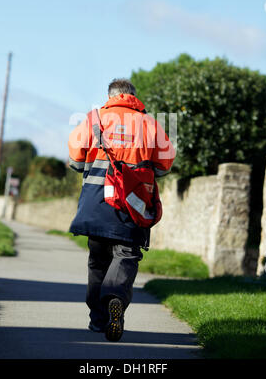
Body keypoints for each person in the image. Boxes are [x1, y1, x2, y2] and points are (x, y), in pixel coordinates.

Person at [68, 78, 175, 342]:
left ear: (110, 96)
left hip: (96, 202)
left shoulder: (94, 119)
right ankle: (115, 297)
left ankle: (98, 320)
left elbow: (75, 160)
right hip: (132, 202)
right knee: (126, 254)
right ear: (133, 97)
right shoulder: (151, 124)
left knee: (97, 261)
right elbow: (164, 166)